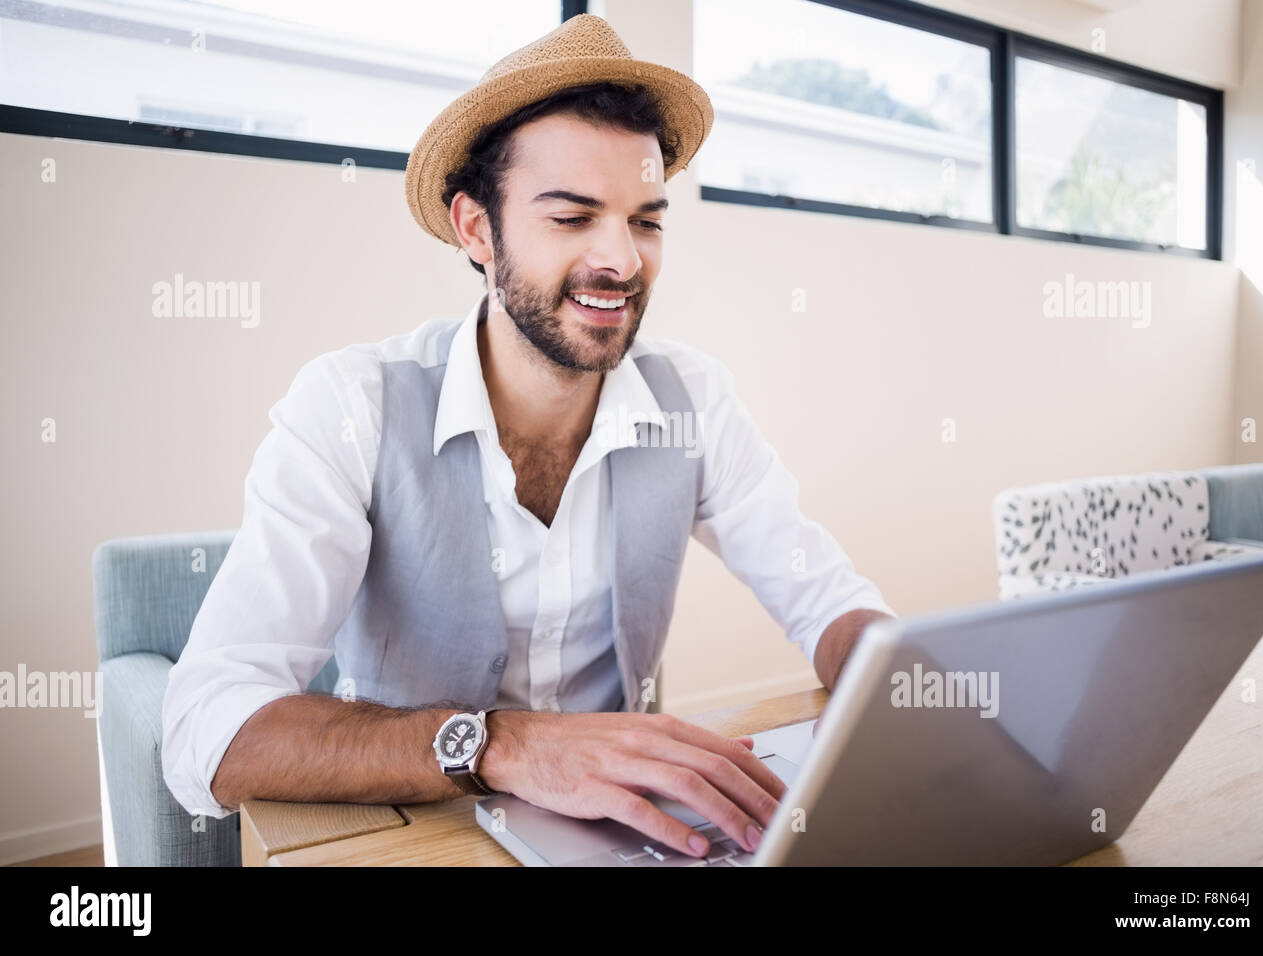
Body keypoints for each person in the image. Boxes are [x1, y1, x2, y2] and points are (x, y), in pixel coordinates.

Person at [161, 13, 895, 862]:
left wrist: (902, 672)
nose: (621, 261)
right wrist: (504, 745)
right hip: (415, 833)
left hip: (624, 835)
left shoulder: (693, 397)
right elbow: (204, 733)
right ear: (477, 229)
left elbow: (827, 602)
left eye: (646, 220)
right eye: (573, 217)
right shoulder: (350, 404)